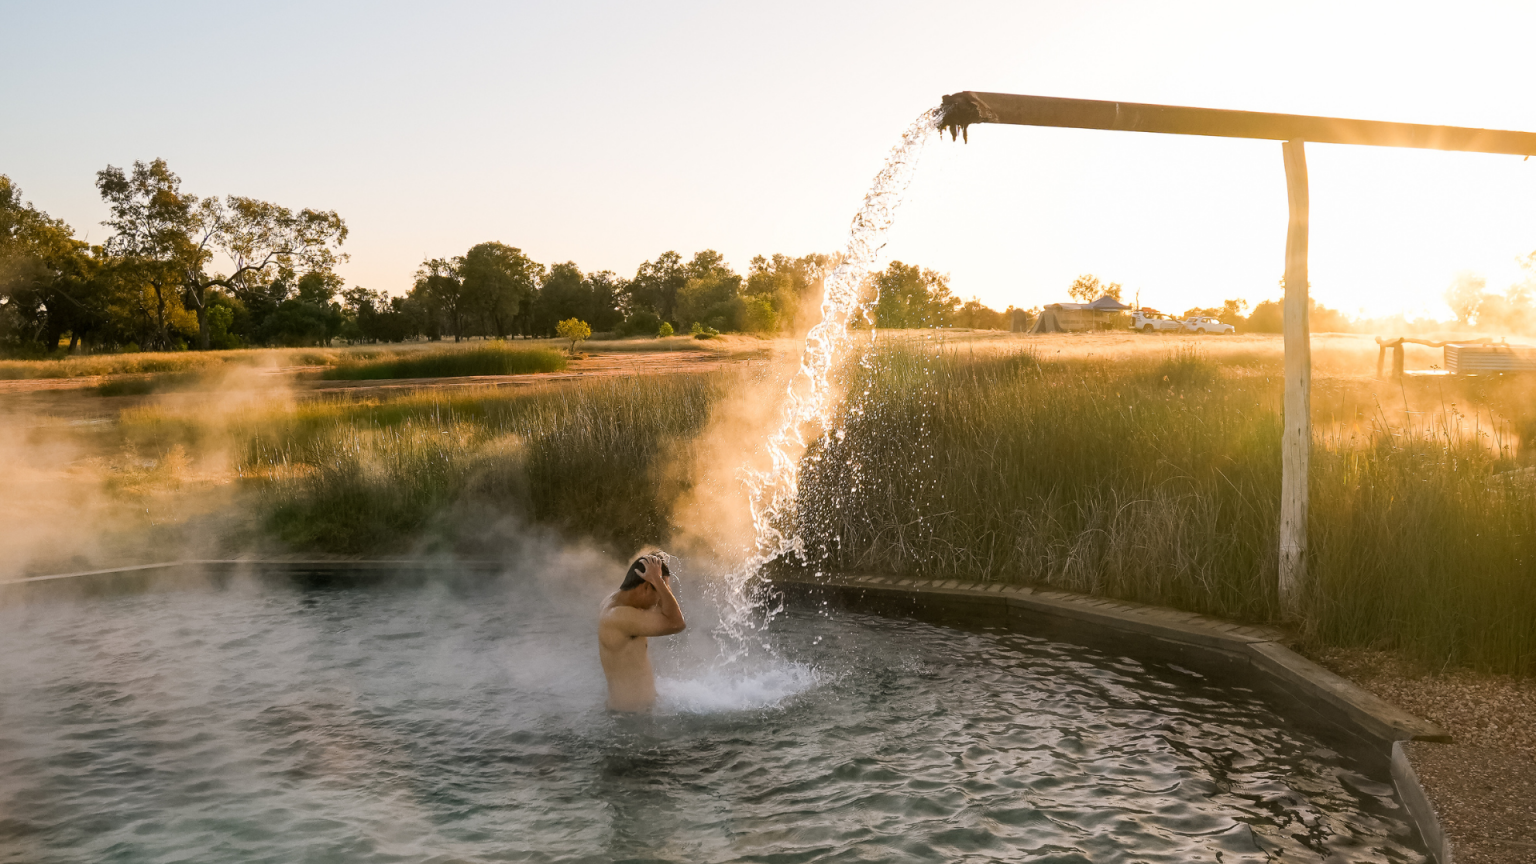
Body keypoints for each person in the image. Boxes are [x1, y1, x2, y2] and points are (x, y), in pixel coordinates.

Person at [598, 553, 686, 712]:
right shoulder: (619, 616)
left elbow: (664, 611)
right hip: (631, 719)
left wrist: (659, 580)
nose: (658, 603)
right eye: (659, 591)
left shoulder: (616, 603)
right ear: (646, 586)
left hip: (636, 713)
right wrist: (659, 581)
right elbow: (676, 623)